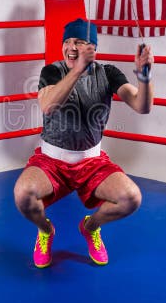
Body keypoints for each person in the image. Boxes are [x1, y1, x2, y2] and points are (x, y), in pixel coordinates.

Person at [13, 18, 154, 268]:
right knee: (23, 195)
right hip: (51, 160)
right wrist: (77, 70)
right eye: (66, 41)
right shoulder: (52, 71)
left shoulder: (108, 73)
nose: (70, 47)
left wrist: (144, 77)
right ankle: (45, 231)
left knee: (131, 198)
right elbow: (48, 106)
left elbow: (142, 106)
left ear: (93, 48)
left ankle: (90, 227)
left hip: (91, 161)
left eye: (78, 41)